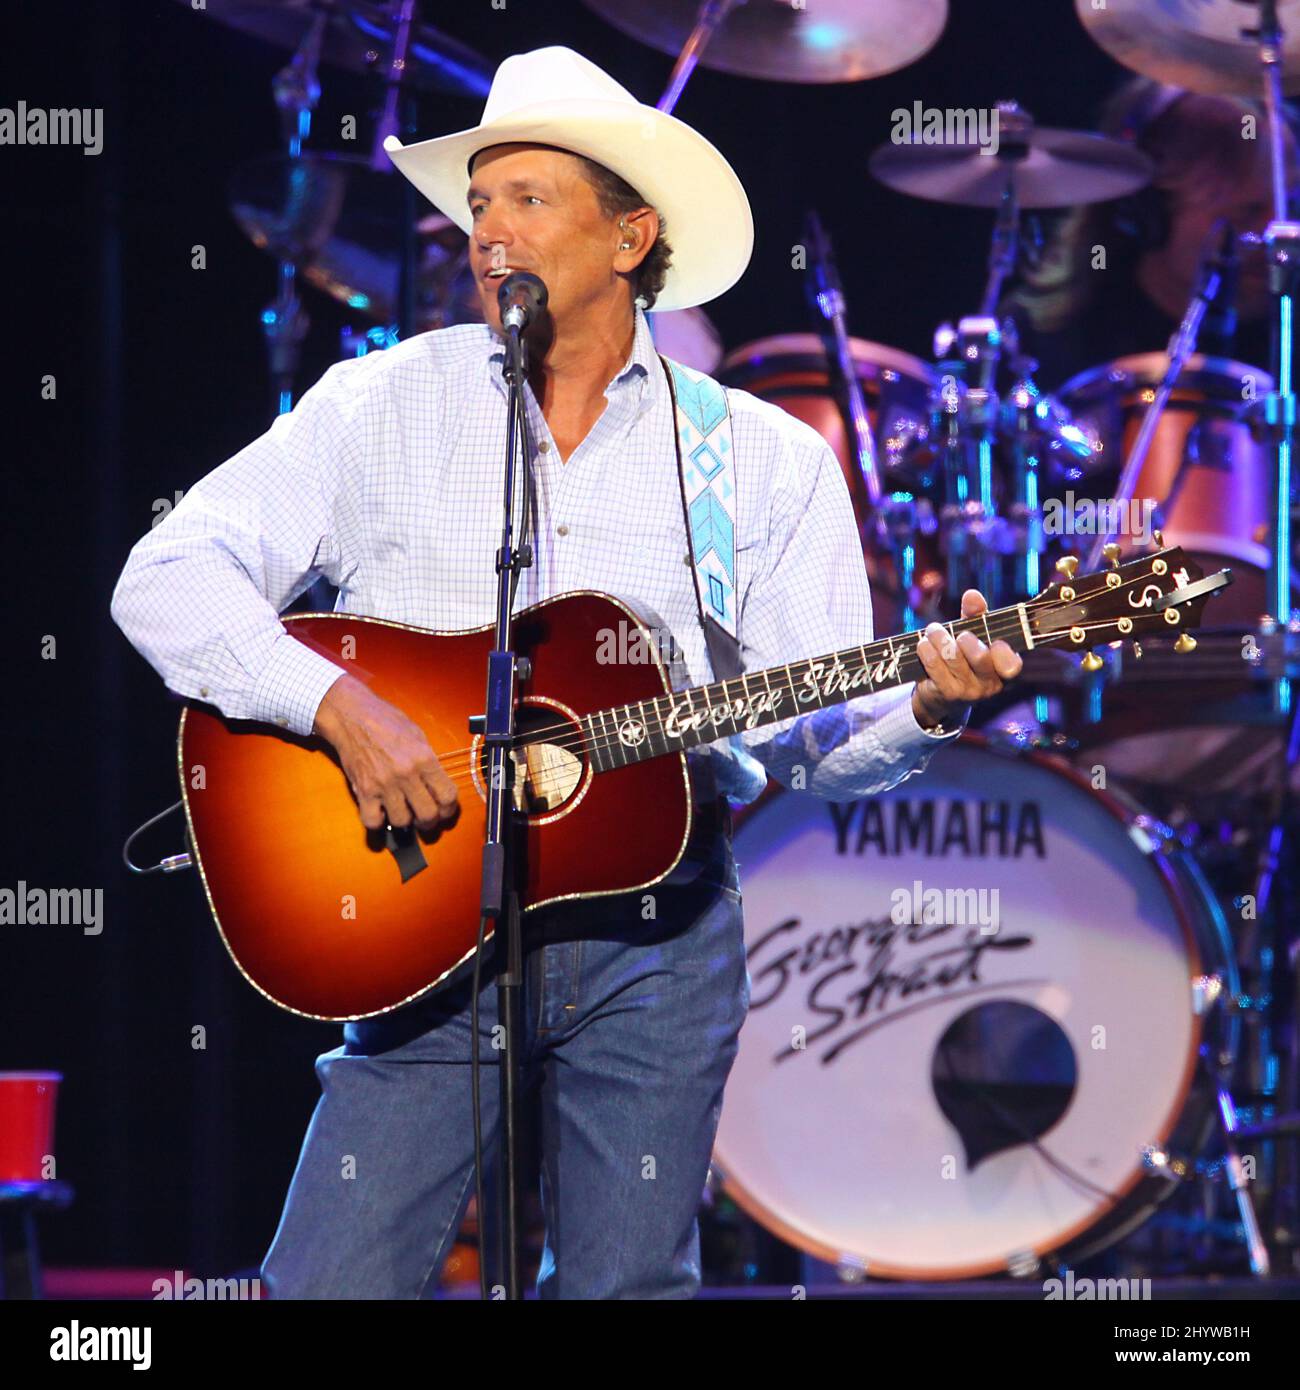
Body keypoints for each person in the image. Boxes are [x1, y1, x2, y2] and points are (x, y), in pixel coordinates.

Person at [111, 46, 1023, 1299]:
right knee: (329, 1284)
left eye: (528, 200)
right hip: (426, 918)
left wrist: (924, 702)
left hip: (659, 931)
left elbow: (824, 747)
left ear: (629, 234)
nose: (487, 232)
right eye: (478, 203)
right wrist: (338, 703)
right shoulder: (376, 403)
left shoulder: (758, 458)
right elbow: (164, 575)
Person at [1008, 77, 1299, 389]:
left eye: (1292, 210)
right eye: (1247, 212)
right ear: (1147, 214)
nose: (1277, 237)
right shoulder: (1035, 347)